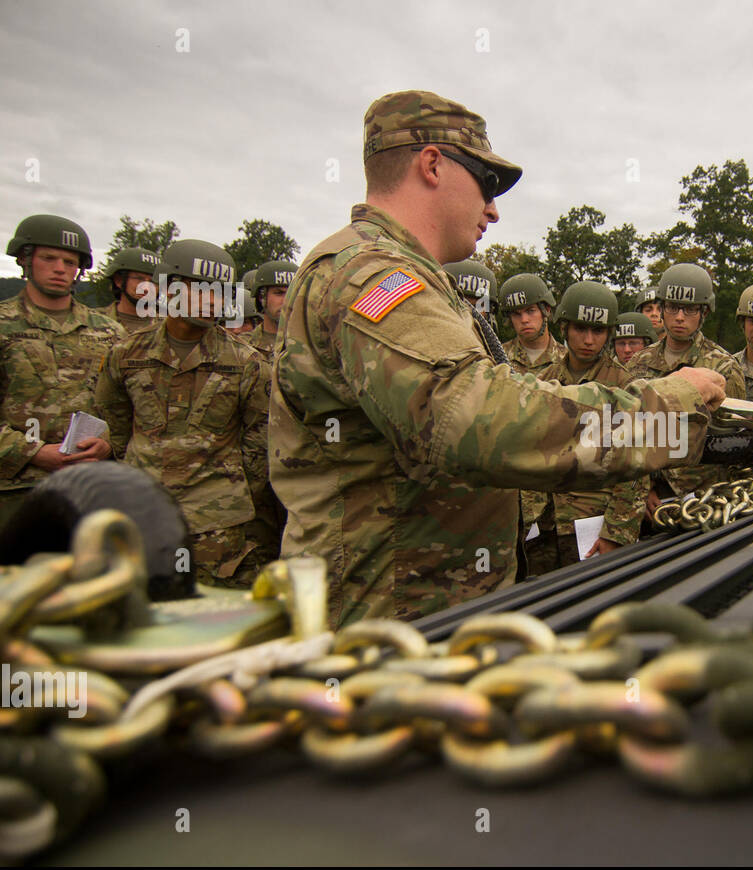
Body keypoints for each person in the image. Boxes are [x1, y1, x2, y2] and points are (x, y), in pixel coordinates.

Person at [267, 90, 725, 626]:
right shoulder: (371, 277)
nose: (493, 208)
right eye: (486, 183)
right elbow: (479, 420)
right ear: (432, 164)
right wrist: (672, 406)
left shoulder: (401, 275)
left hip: (423, 609)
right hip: (388, 623)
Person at [94, 239, 274, 587]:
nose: (211, 301)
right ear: (166, 287)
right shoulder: (126, 354)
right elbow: (114, 425)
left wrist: (226, 494)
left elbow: (259, 440)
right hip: (142, 516)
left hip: (218, 529)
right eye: (198, 288)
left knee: (218, 624)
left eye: (220, 292)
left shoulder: (247, 362)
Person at [0, 214, 120, 533]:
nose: (60, 268)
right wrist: (32, 452)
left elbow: (124, 406)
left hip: (90, 489)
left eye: (70, 261)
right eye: (49, 258)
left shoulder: (109, 332)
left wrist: (108, 443)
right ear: (25, 260)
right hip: (14, 493)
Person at [528, 281, 645, 571]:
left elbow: (638, 467)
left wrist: (616, 531)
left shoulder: (624, 385)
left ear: (608, 333)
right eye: (581, 328)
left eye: (598, 330)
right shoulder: (544, 382)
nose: (588, 339)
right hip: (543, 523)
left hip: (592, 524)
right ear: (565, 327)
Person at [626, 262, 744, 509]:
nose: (679, 317)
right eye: (673, 307)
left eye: (689, 310)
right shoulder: (639, 362)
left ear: (704, 312)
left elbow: (736, 442)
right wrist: (643, 489)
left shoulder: (723, 367)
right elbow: (629, 434)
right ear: (663, 308)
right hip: (650, 497)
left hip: (707, 496)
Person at [499, 272, 565, 374]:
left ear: (546, 310)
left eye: (530, 311)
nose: (524, 320)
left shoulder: (567, 360)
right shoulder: (498, 357)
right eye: (516, 314)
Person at [101, 247, 161, 335]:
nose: (146, 288)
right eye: (139, 279)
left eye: (154, 281)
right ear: (119, 281)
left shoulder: (171, 329)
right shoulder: (91, 321)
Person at [246, 259, 298, 361]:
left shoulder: (312, 347)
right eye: (279, 293)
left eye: (292, 294)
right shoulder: (242, 346)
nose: (286, 301)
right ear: (262, 297)